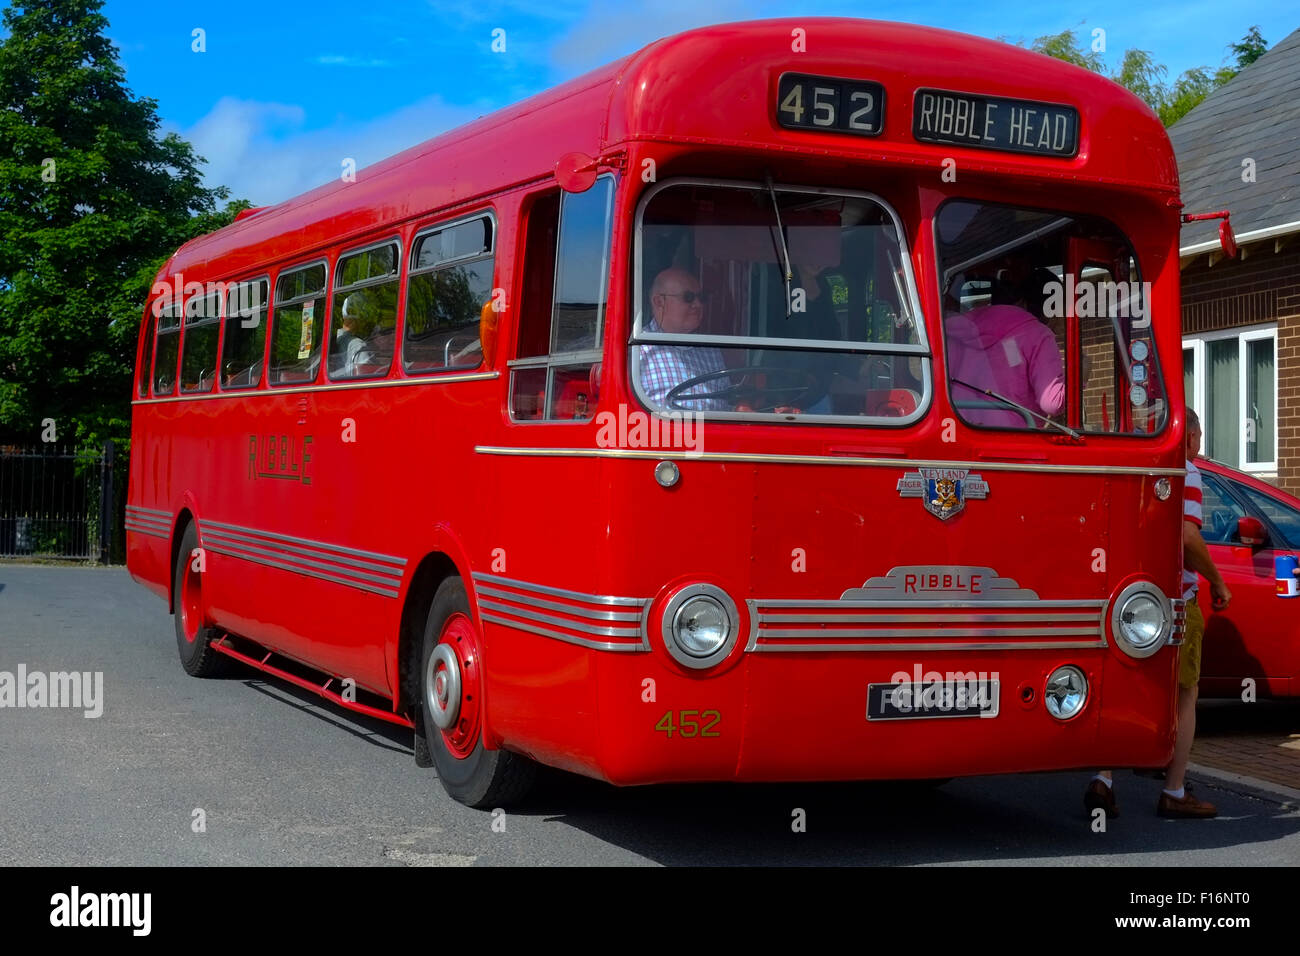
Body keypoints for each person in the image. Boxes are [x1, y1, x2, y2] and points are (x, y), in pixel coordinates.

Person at [1084, 408, 1231, 819]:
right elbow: (1187, 535)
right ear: (1190, 436)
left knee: (1120, 686)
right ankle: (1174, 789)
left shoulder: (1127, 465)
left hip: (1124, 595)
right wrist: (1218, 582)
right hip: (1173, 600)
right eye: (1198, 437)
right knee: (1185, 693)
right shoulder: (1187, 472)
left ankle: (1103, 778)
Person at [947, 273, 1065, 427]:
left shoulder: (963, 328)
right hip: (1009, 435)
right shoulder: (1037, 334)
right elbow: (1052, 403)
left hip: (958, 428)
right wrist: (1080, 377)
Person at [638, 268, 729, 411]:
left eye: (701, 298)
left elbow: (727, 401)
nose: (698, 304)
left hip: (714, 425)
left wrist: (743, 404)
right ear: (659, 302)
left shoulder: (711, 349)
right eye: (688, 297)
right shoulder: (638, 351)